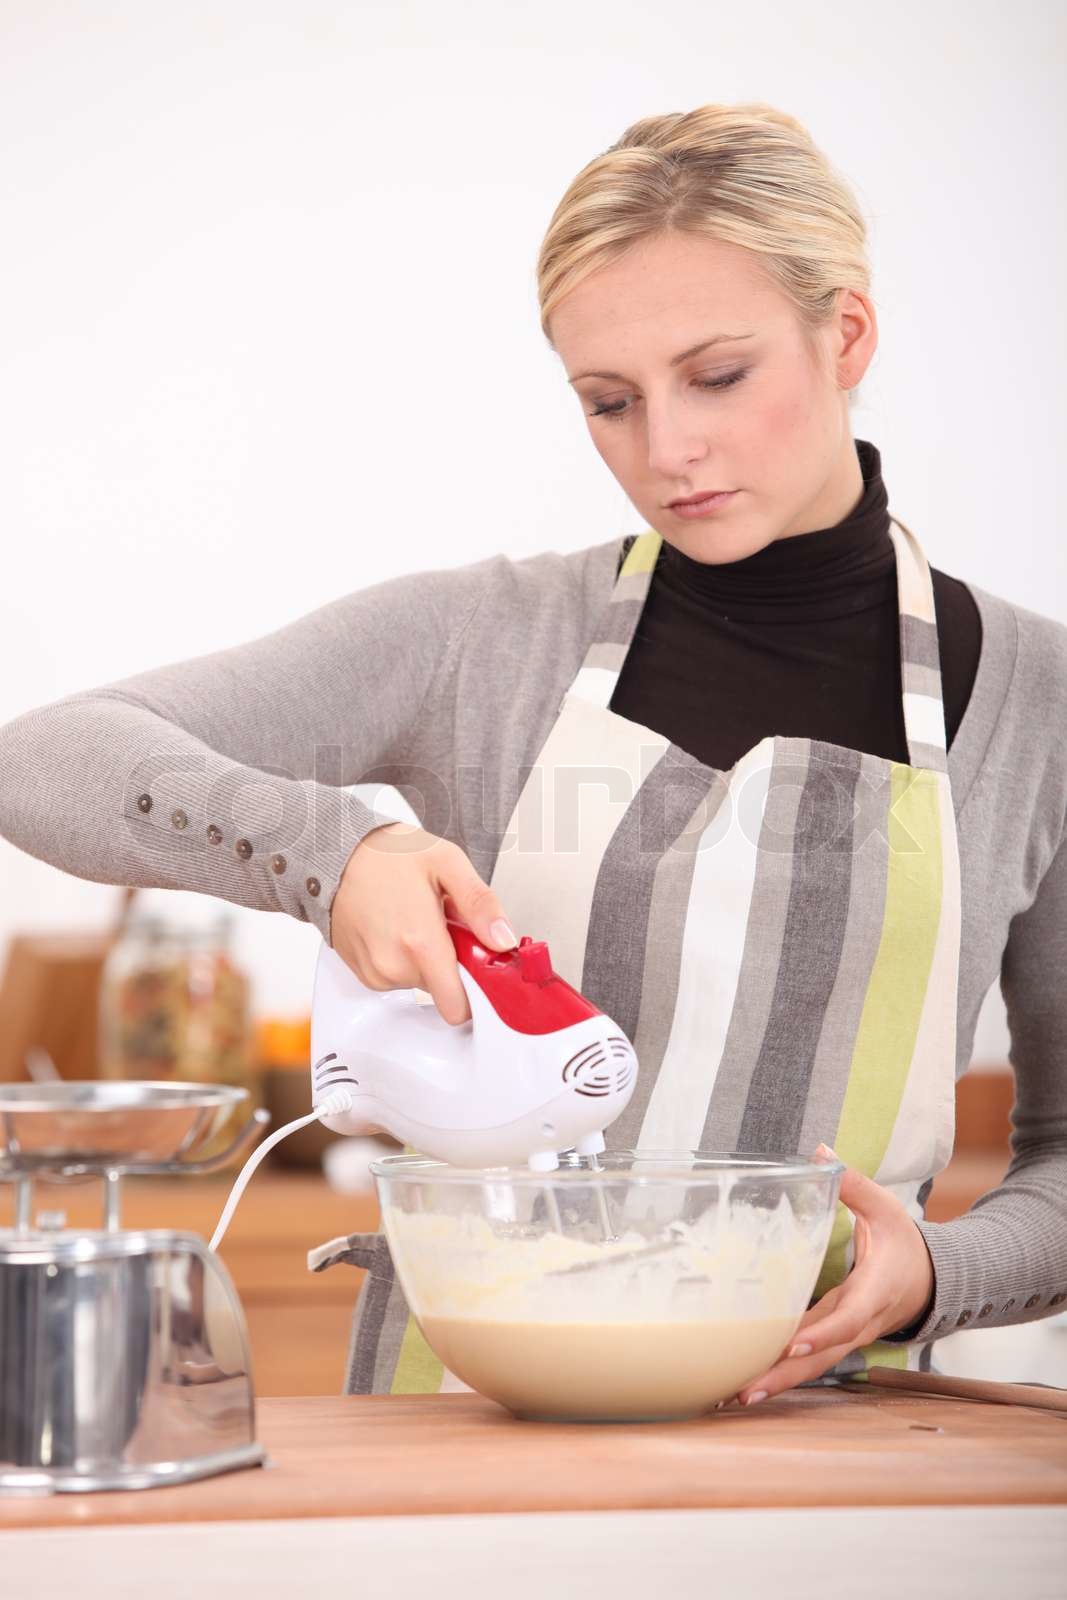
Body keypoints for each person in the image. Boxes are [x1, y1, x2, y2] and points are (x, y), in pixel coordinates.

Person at [2, 102, 1065, 1407]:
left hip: (837, 1443)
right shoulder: (476, 642)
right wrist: (338, 855)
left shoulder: (1036, 701)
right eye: (608, 402)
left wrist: (939, 1269)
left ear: (846, 334)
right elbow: (43, 761)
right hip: (458, 1431)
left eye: (717, 376)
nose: (665, 450)